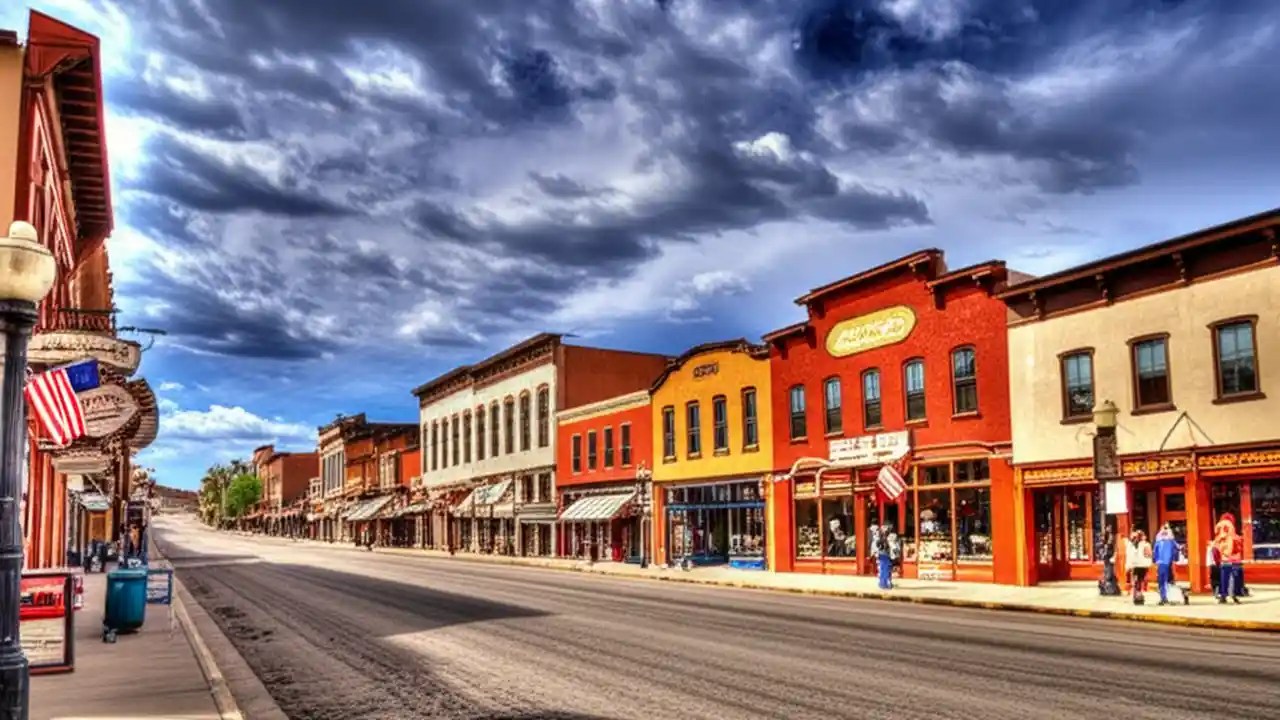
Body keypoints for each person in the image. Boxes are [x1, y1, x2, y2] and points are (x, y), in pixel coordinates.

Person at [1214, 513, 1241, 604]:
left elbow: (1217, 541)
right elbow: (1232, 540)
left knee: (1223, 577)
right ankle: (1234, 595)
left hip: (1223, 555)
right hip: (1232, 556)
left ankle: (1223, 595)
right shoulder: (1231, 526)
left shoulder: (1218, 526)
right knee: (1233, 577)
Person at [1153, 524, 1179, 606]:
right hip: (1167, 563)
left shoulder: (1159, 540)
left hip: (1164, 563)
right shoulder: (1170, 540)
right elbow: (1177, 549)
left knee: (1163, 581)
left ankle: (1165, 598)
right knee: (1166, 581)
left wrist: (1155, 560)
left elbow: (1155, 553)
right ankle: (1165, 597)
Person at [1126, 530, 1153, 605]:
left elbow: (1130, 555)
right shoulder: (1145, 544)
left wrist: (1129, 565)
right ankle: (1138, 596)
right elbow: (1149, 555)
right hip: (1142, 566)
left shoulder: (1134, 544)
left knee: (1137, 581)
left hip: (1137, 566)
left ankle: (1137, 596)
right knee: (1139, 581)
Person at [1099, 527, 1120, 596]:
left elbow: (1112, 548)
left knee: (1109, 573)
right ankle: (1108, 589)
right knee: (1108, 573)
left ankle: (1110, 589)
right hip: (1107, 560)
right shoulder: (1105, 542)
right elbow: (1103, 551)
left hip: (1109, 559)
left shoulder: (1110, 541)